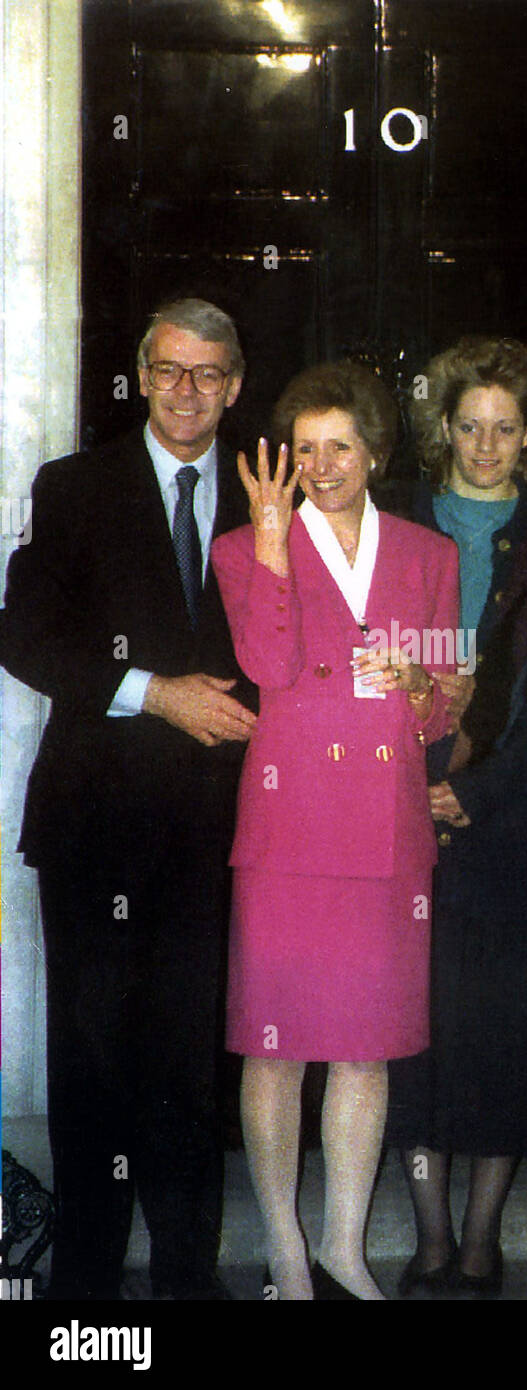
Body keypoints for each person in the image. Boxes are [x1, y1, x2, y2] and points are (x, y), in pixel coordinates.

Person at [0, 298, 258, 1300]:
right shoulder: (75, 487)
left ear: (235, 383)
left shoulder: (266, 490)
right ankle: (87, 1289)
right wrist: (155, 693)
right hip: (96, 826)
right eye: (168, 370)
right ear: (142, 376)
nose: (187, 392)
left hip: (224, 827)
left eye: (208, 373)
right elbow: (23, 635)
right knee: (93, 1069)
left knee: (191, 1073)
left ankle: (189, 1284)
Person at [211, 361, 459, 1301]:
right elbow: (268, 663)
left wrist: (424, 689)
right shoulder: (244, 550)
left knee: (364, 1045)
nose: (321, 465)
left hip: (386, 834)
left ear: (375, 451)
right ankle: (284, 1250)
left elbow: (441, 718)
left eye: (340, 446)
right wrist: (275, 541)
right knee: (274, 1048)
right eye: (305, 448)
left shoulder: (432, 556)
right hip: (287, 832)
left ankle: (344, 1249)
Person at [384, 336, 527, 1296]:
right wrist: (407, 786)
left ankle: (479, 1243)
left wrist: (476, 788)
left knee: (504, 1036)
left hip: (512, 819)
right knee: (411, 1034)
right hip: (392, 814)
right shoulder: (397, 516)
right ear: (443, 428)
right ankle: (429, 1241)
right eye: (468, 426)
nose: (484, 446)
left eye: (504, 430)